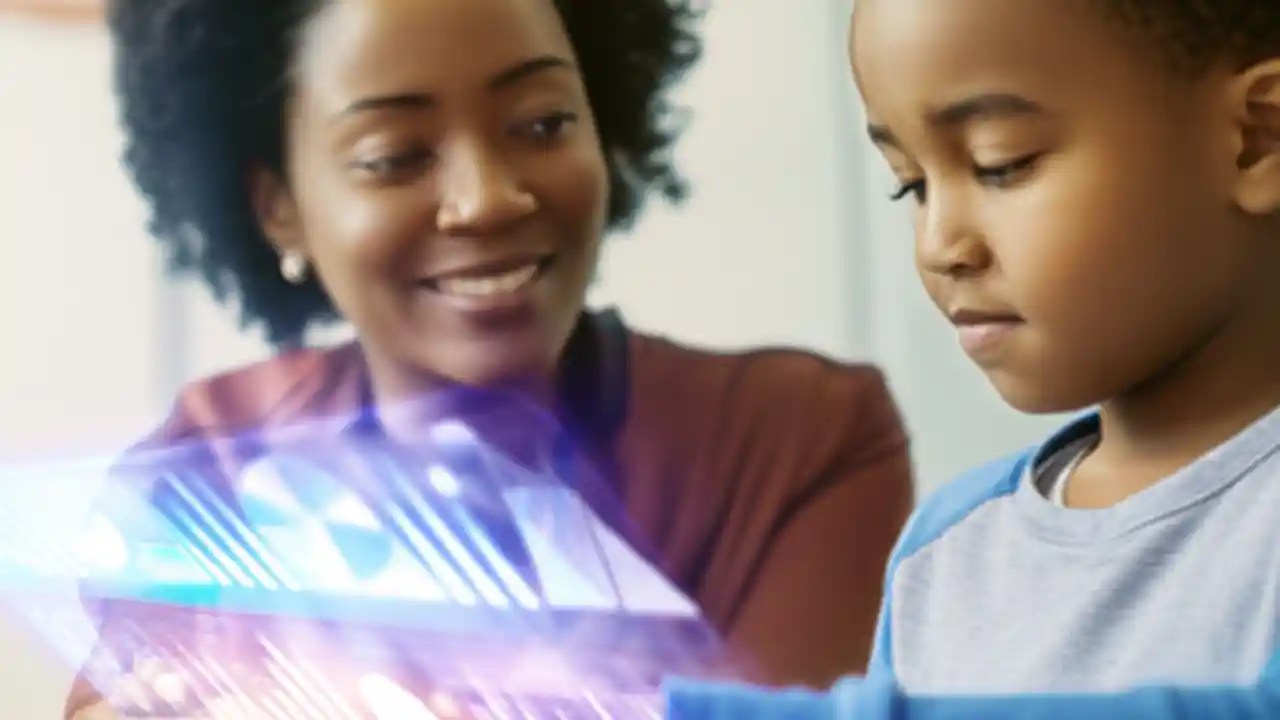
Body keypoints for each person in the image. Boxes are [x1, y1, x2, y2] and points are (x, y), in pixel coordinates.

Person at [66, 0, 914, 716]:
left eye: (543, 123)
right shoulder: (209, 462)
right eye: (394, 156)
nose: (489, 198)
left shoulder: (799, 441)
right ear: (280, 205)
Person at [664, 0, 1280, 717]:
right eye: (912, 184)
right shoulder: (947, 547)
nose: (939, 244)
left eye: (1000, 164)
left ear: (1256, 141)